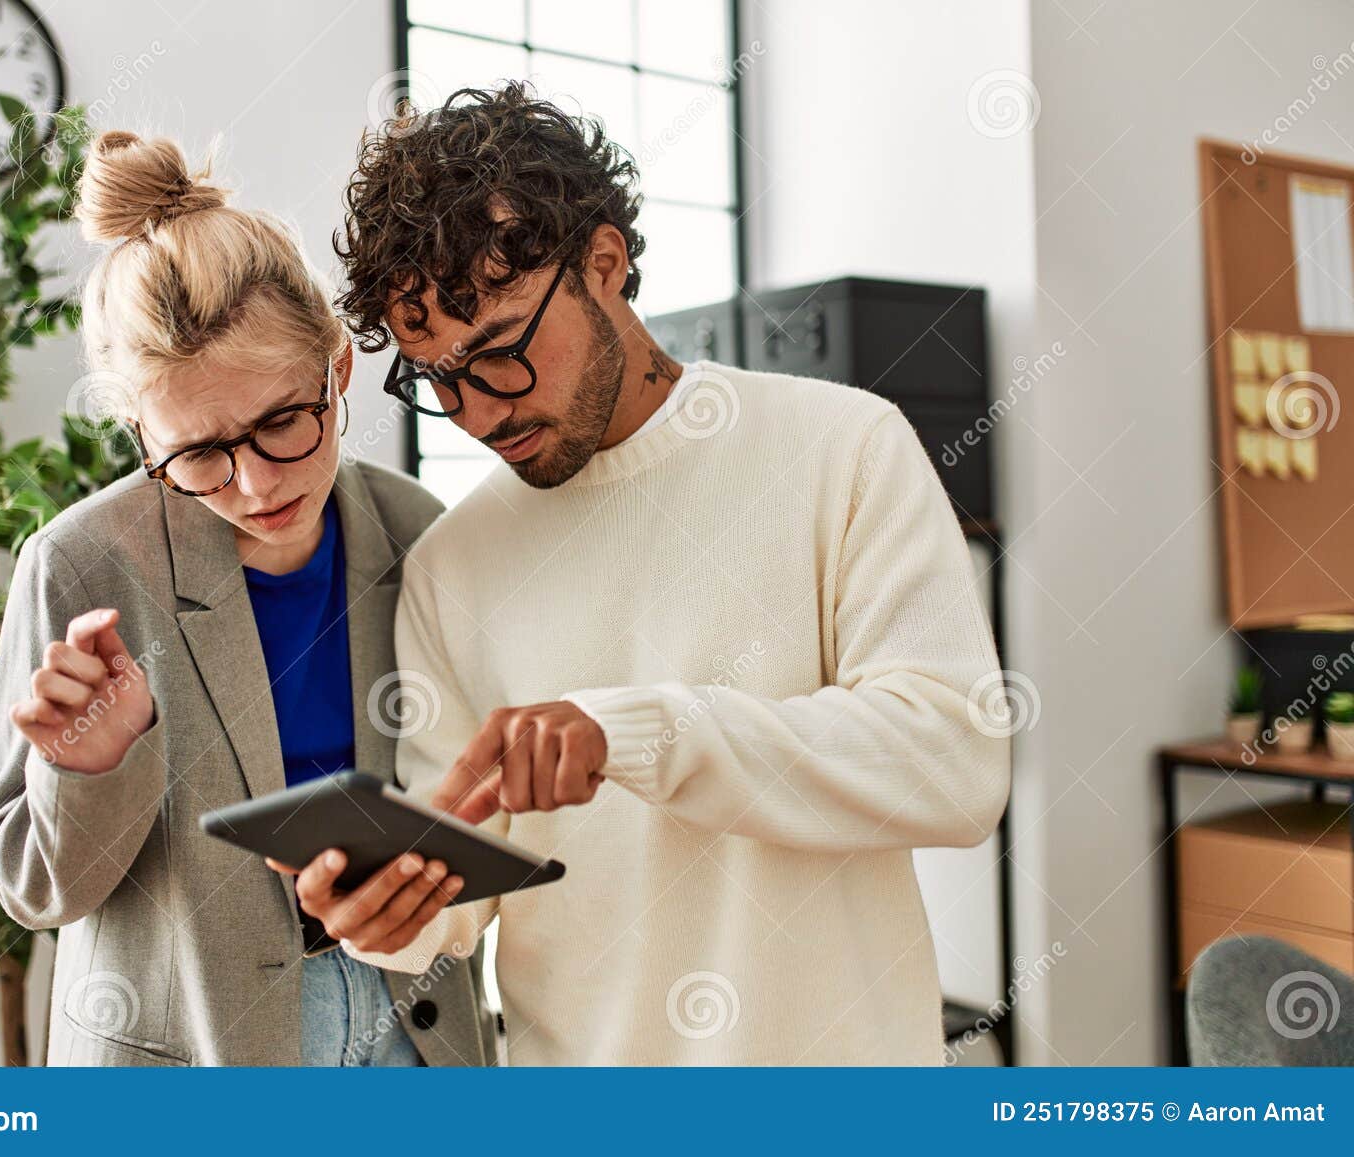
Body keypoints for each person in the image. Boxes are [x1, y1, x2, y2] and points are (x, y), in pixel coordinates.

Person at [276, 84, 1012, 1064]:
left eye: (499, 351)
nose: (479, 413)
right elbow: (463, 882)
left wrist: (639, 731)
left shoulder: (842, 447)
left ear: (604, 263)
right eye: (438, 378)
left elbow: (955, 766)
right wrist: (389, 911)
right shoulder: (454, 560)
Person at [0, 130, 492, 1067]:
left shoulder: (419, 532)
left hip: (413, 1026)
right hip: (190, 1052)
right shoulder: (81, 566)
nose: (254, 484)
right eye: (199, 453)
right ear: (143, 438)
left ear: (337, 367)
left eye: (283, 422)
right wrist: (90, 770)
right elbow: (36, 891)